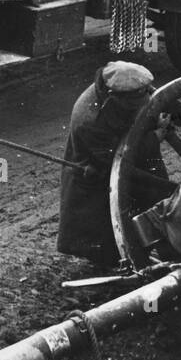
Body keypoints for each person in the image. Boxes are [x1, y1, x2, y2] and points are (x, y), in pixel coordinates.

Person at [56, 61, 155, 267]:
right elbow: (117, 164)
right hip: (94, 168)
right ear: (115, 99)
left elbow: (152, 95)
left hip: (120, 142)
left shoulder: (128, 84)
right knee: (99, 228)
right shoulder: (89, 120)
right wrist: (155, 134)